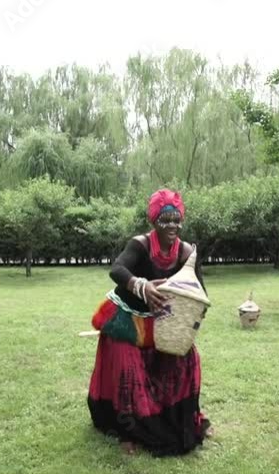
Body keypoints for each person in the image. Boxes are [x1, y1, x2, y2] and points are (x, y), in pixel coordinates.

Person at [87, 189, 212, 456]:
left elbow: (201, 290)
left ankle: (187, 417)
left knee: (188, 359)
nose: (172, 225)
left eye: (176, 220)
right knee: (127, 368)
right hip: (128, 318)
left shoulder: (187, 252)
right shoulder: (140, 244)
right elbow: (117, 269)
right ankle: (127, 431)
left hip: (163, 320)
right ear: (154, 221)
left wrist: (194, 310)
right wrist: (141, 286)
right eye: (165, 220)